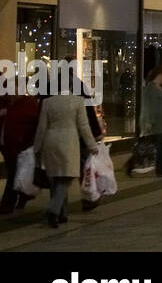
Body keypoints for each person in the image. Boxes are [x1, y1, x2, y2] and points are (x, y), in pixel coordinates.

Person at [32, 89, 98, 228]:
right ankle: (54, 209)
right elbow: (84, 127)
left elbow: (41, 127)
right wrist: (92, 145)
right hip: (69, 142)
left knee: (56, 178)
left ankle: (62, 214)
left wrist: (36, 147)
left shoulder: (48, 102)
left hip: (51, 141)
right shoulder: (78, 101)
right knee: (66, 177)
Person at [0, 82, 42, 213]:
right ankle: (22, 196)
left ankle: (7, 204)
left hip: (20, 147)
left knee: (13, 175)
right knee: (15, 174)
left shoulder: (28, 104)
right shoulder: (6, 103)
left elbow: (34, 124)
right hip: (8, 146)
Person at [127, 68, 162, 177]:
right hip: (155, 123)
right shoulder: (151, 88)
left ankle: (161, 170)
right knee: (157, 147)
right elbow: (148, 106)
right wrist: (149, 121)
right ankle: (161, 170)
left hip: (161, 122)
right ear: (159, 75)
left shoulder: (156, 88)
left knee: (158, 146)